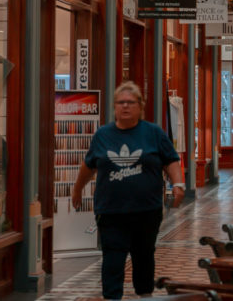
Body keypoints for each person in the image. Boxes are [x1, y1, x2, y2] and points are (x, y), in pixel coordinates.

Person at [72, 82, 183, 300]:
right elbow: (89, 166)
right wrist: (77, 191)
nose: (125, 107)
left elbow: (171, 161)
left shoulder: (153, 133)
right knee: (112, 259)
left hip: (146, 211)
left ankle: (144, 295)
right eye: (121, 103)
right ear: (114, 106)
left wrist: (178, 184)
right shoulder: (103, 135)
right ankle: (112, 297)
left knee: (144, 256)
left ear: (140, 106)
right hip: (111, 211)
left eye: (130, 103)